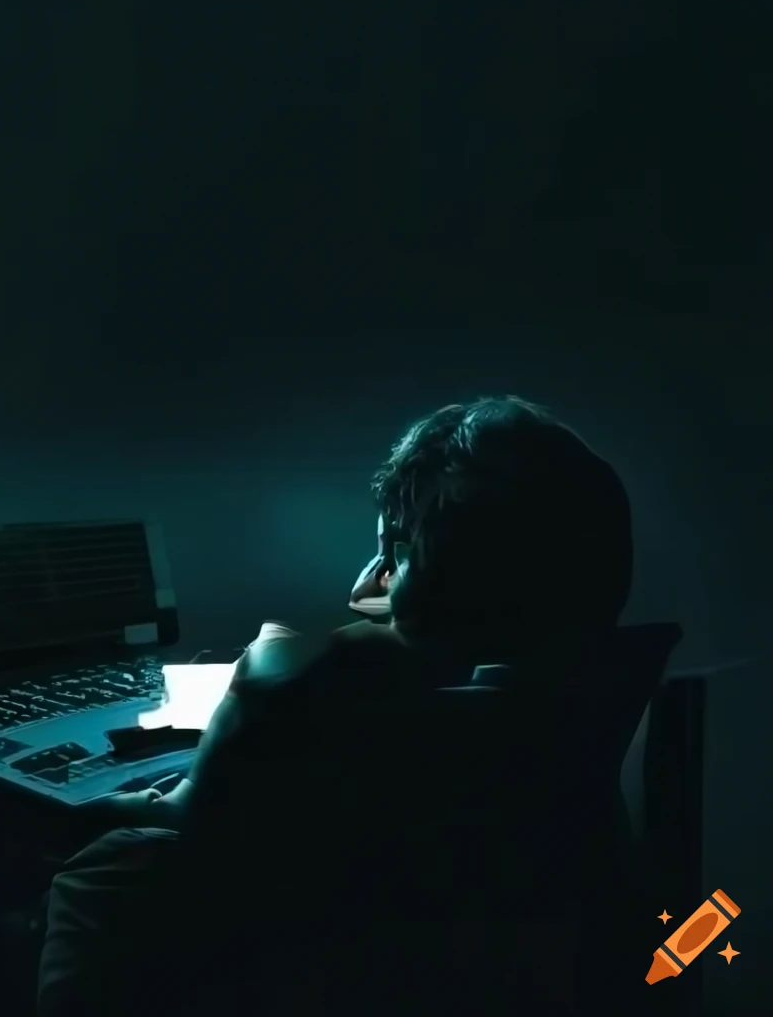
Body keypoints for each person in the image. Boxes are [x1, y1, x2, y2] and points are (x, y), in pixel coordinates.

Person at [39, 396, 655, 1016]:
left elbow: (186, 816)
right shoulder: (577, 682)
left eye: (397, 548)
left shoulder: (287, 687)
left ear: (418, 565)